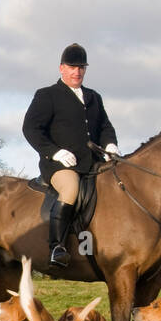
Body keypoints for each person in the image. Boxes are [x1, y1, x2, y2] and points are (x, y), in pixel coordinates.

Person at [21, 43, 120, 267]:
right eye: (72, 67)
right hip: (58, 165)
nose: (77, 72)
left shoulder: (94, 97)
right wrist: (54, 153)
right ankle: (57, 247)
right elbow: (31, 128)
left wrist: (111, 144)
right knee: (71, 188)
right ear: (61, 68)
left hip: (92, 163)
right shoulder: (47, 95)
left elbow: (105, 126)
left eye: (81, 67)